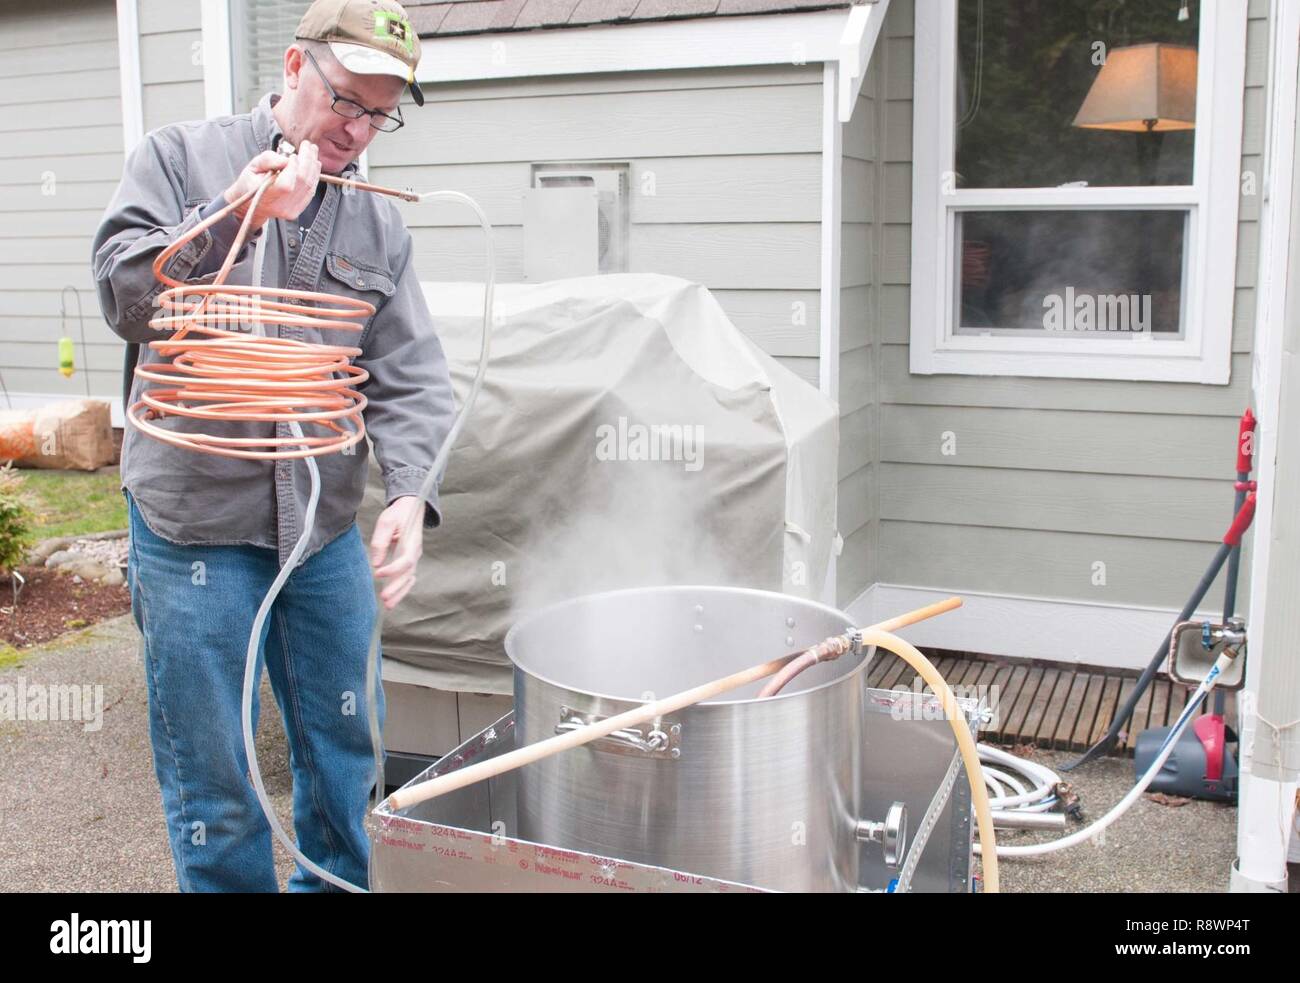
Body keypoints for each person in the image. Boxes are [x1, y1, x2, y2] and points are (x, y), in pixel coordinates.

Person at [90, 0, 453, 892]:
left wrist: (408, 491)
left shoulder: (380, 223)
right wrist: (234, 214)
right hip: (192, 530)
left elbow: (408, 372)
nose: (359, 133)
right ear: (295, 67)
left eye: (380, 113)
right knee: (213, 776)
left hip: (320, 536)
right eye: (346, 102)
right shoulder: (179, 159)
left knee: (346, 756)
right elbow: (124, 299)